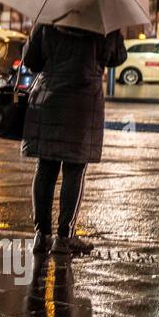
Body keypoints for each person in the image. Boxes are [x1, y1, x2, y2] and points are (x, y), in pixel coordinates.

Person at [21, 23, 127, 255]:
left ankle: (41, 235)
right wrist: (117, 31)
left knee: (45, 168)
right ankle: (64, 237)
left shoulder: (50, 19)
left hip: (49, 99)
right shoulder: (103, 24)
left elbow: (30, 60)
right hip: (83, 103)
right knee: (75, 170)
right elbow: (117, 58)